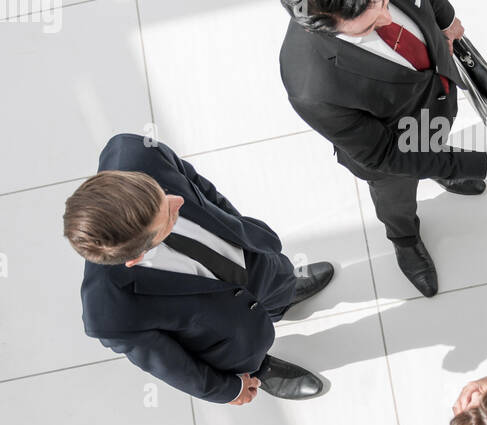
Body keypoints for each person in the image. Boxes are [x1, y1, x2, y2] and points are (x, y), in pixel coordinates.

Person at [278, 0, 487, 298]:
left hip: (434, 97)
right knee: (396, 199)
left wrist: (444, 21)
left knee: (438, 139)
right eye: (367, 27)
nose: (386, 16)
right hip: (392, 150)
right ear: (322, 28)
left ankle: (443, 169)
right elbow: (386, 154)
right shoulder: (312, 86)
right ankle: (405, 239)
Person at [65, 134, 334, 404]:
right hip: (232, 335)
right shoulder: (109, 315)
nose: (177, 203)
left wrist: (234, 222)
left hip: (245, 256)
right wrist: (229, 390)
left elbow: (199, 188)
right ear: (135, 257)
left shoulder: (135, 152)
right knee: (249, 348)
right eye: (169, 217)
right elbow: (174, 366)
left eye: (163, 195)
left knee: (279, 279)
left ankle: (282, 300)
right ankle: (262, 369)